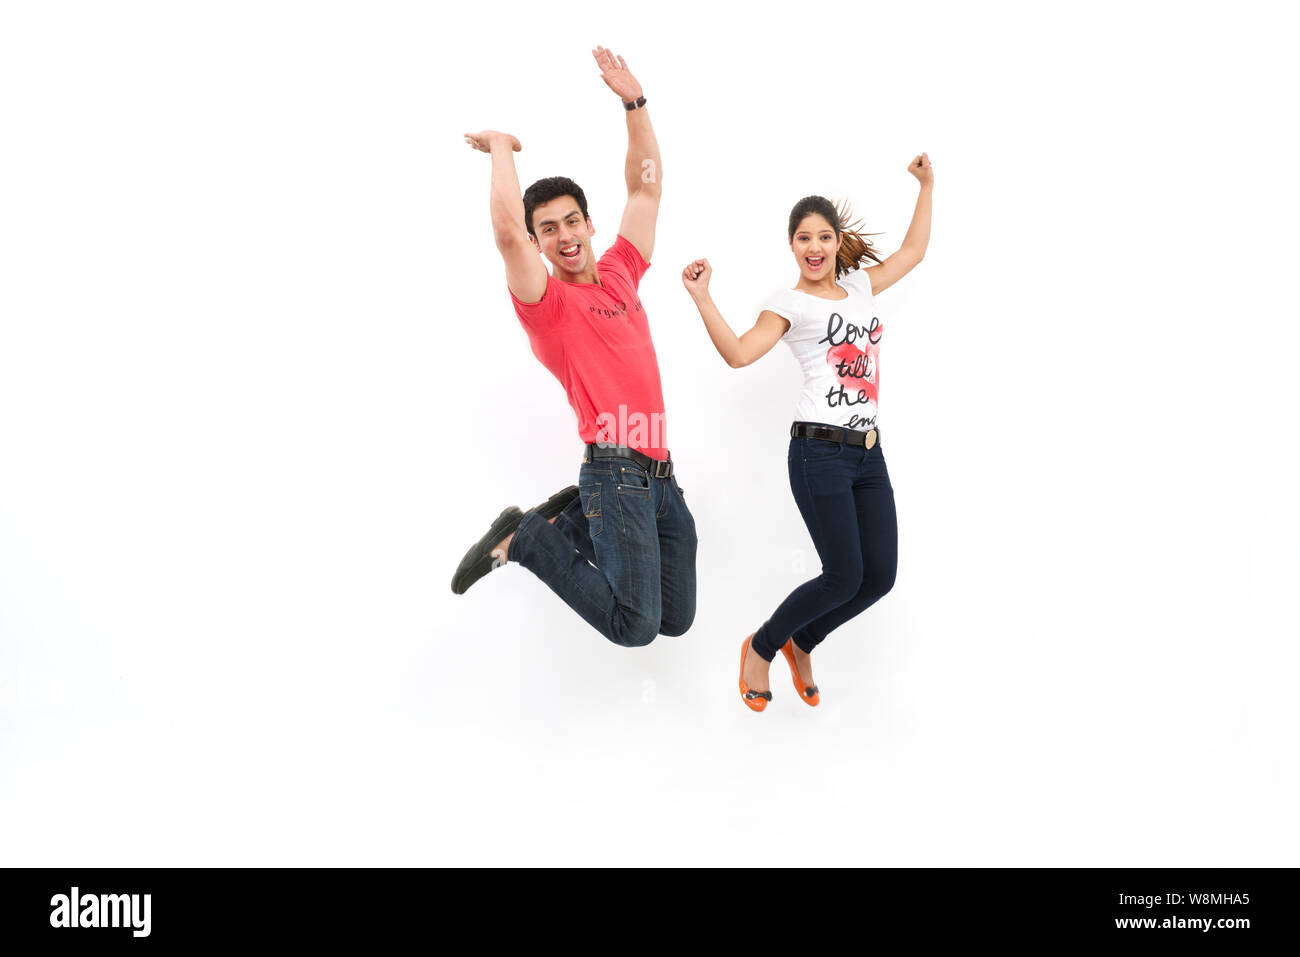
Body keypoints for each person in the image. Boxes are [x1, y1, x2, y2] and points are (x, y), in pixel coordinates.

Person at [452, 46, 697, 650]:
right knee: (634, 627)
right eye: (548, 229)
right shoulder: (548, 308)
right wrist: (504, 149)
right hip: (615, 472)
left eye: (571, 222)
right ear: (539, 243)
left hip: (661, 474)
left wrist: (634, 102)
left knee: (675, 618)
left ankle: (573, 524)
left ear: (589, 224)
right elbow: (507, 233)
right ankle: (530, 538)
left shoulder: (619, 272)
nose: (563, 236)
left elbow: (647, 192)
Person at [681, 154, 933, 709]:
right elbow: (741, 354)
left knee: (879, 577)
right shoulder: (787, 304)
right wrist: (703, 300)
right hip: (818, 454)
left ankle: (803, 640)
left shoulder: (862, 287)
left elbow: (913, 252)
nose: (814, 247)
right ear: (791, 246)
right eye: (802, 238)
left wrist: (926, 184)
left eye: (823, 236)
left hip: (870, 455)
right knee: (842, 576)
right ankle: (762, 647)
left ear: (837, 240)